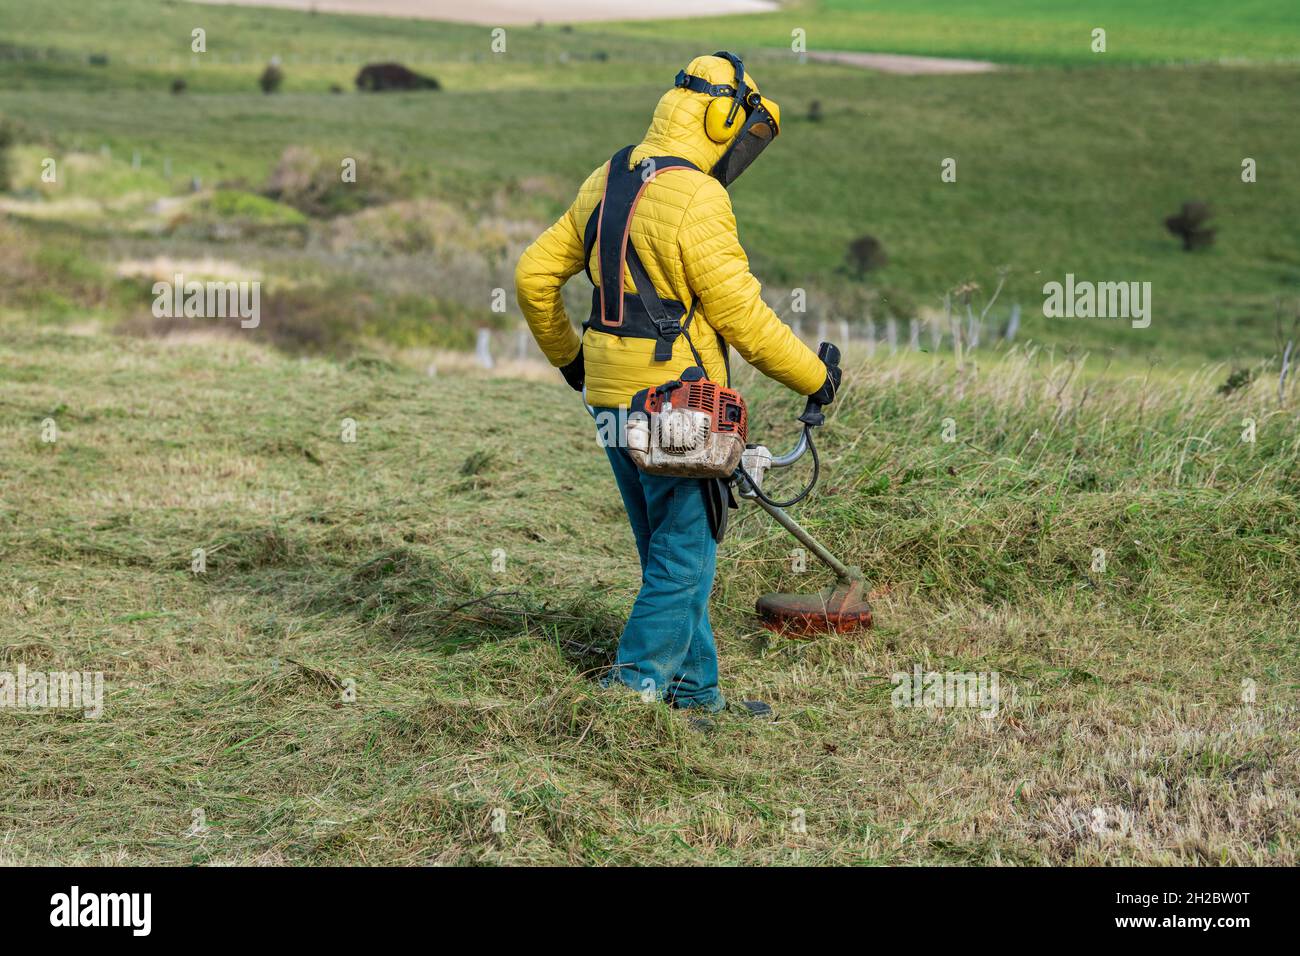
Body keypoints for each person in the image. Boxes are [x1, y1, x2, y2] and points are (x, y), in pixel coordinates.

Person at [515, 52, 839, 714]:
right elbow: (743, 320)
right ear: (721, 119)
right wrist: (816, 376)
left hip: (608, 397)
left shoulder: (610, 175)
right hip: (675, 402)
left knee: (667, 552)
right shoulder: (699, 197)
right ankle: (626, 699)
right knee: (685, 558)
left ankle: (696, 698)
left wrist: (572, 360)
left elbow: (532, 277)